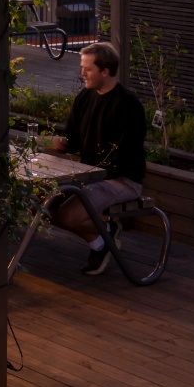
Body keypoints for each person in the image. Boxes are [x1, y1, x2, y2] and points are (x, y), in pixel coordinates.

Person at [47, 42, 148, 276]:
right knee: (41, 205)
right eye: (82, 68)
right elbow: (72, 139)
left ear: (105, 71)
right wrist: (58, 143)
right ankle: (102, 238)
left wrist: (83, 177)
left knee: (68, 214)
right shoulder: (84, 97)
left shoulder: (128, 104)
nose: (82, 74)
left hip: (121, 179)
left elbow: (122, 156)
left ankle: (103, 236)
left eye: (88, 69)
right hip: (89, 175)